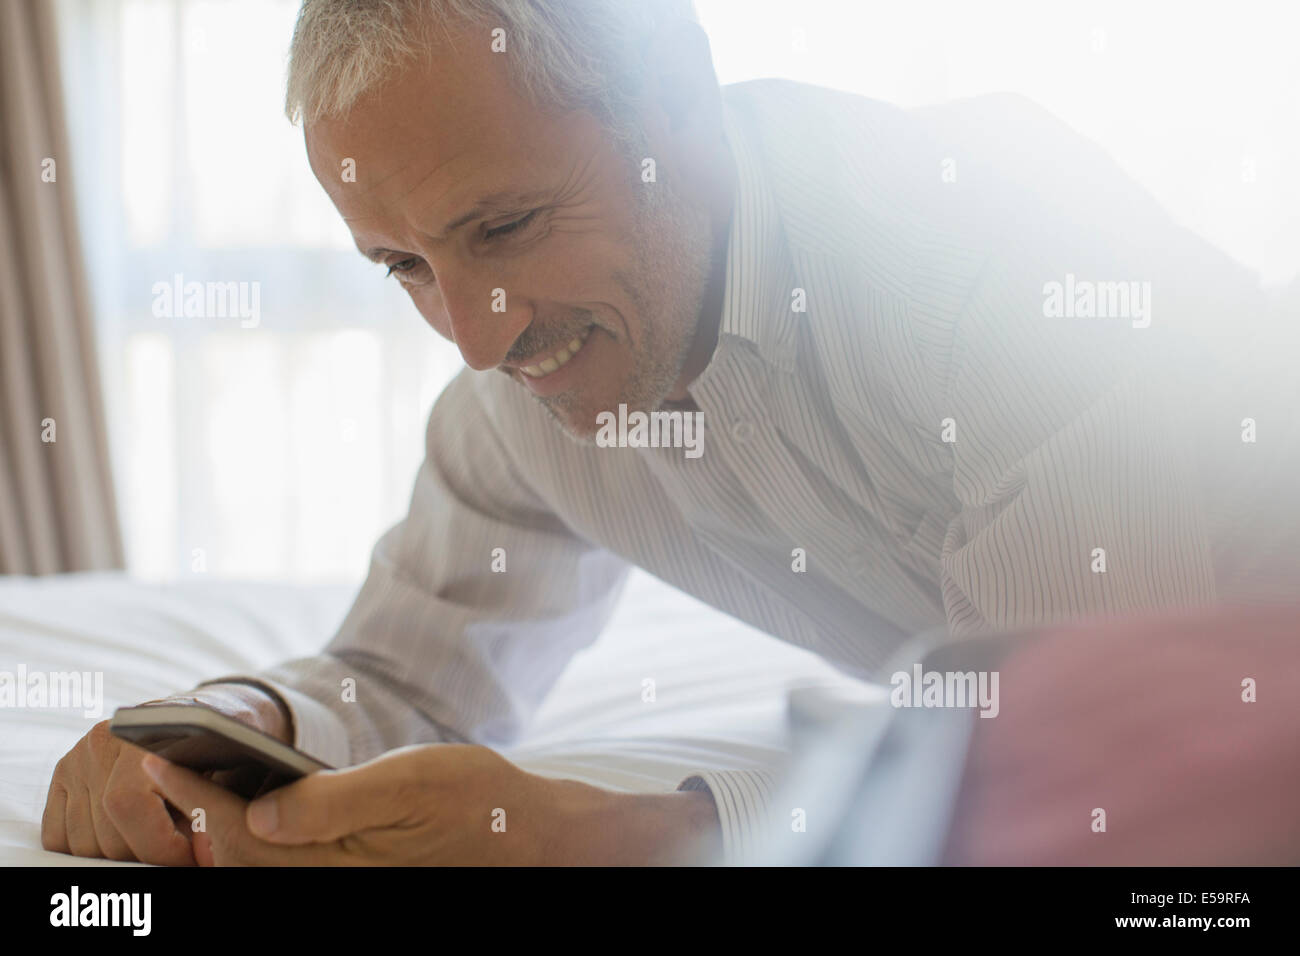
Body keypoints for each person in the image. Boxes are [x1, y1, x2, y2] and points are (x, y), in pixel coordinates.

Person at [43, 0, 1298, 865]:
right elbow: (402, 677)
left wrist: (636, 833)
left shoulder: (999, 259)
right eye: (402, 267)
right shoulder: (520, 400)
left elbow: (1067, 772)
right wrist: (228, 725)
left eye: (507, 227)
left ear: (675, 104)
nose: (474, 338)